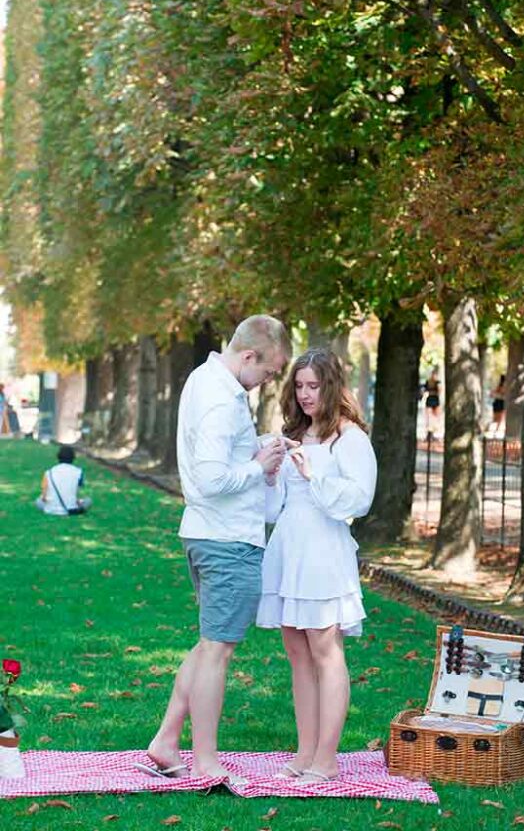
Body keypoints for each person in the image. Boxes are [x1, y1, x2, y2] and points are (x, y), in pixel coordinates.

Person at [141, 315, 291, 783]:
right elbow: (210, 479)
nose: (267, 381)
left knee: (210, 644)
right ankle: (205, 759)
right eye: (267, 372)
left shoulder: (206, 381)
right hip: (226, 539)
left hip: (211, 534)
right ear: (248, 356)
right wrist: (259, 465)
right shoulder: (221, 400)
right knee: (217, 652)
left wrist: (258, 450)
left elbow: (218, 457)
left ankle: (166, 740)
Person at [257, 348, 376, 785]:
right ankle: (305, 753)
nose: (305, 394)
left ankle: (327, 759)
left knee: (326, 653)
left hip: (323, 551)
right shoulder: (294, 434)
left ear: (331, 386)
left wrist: (314, 476)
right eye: (299, 386)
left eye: (314, 385)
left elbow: (360, 499)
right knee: (298, 656)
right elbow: (274, 508)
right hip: (288, 547)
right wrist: (271, 475)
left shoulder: (350, 438)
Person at [35, 445, 92, 515]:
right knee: (88, 500)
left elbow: (44, 497)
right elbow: (76, 493)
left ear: (58, 457)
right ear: (73, 458)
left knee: (38, 501)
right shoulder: (78, 472)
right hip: (71, 508)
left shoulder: (49, 472)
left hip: (51, 509)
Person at [423, 368, 441, 435]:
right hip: (433, 398)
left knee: (433, 414)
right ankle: (431, 428)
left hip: (432, 398)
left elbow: (425, 390)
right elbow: (439, 391)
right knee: (431, 414)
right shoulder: (435, 382)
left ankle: (432, 428)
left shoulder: (433, 382)